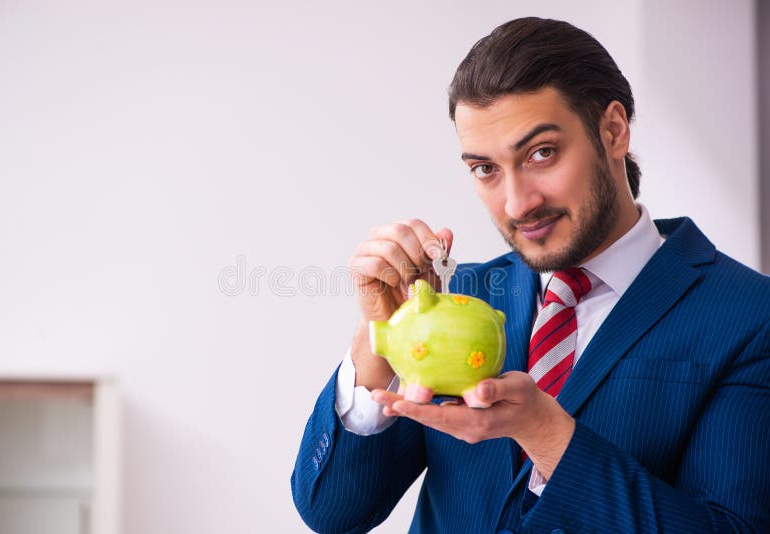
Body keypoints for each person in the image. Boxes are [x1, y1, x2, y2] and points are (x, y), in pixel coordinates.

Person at [291, 17, 770, 533]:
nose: (518, 203)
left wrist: (545, 433)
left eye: (541, 153)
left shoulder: (750, 315)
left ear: (613, 131)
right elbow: (333, 513)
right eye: (485, 169)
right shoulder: (456, 296)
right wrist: (377, 340)